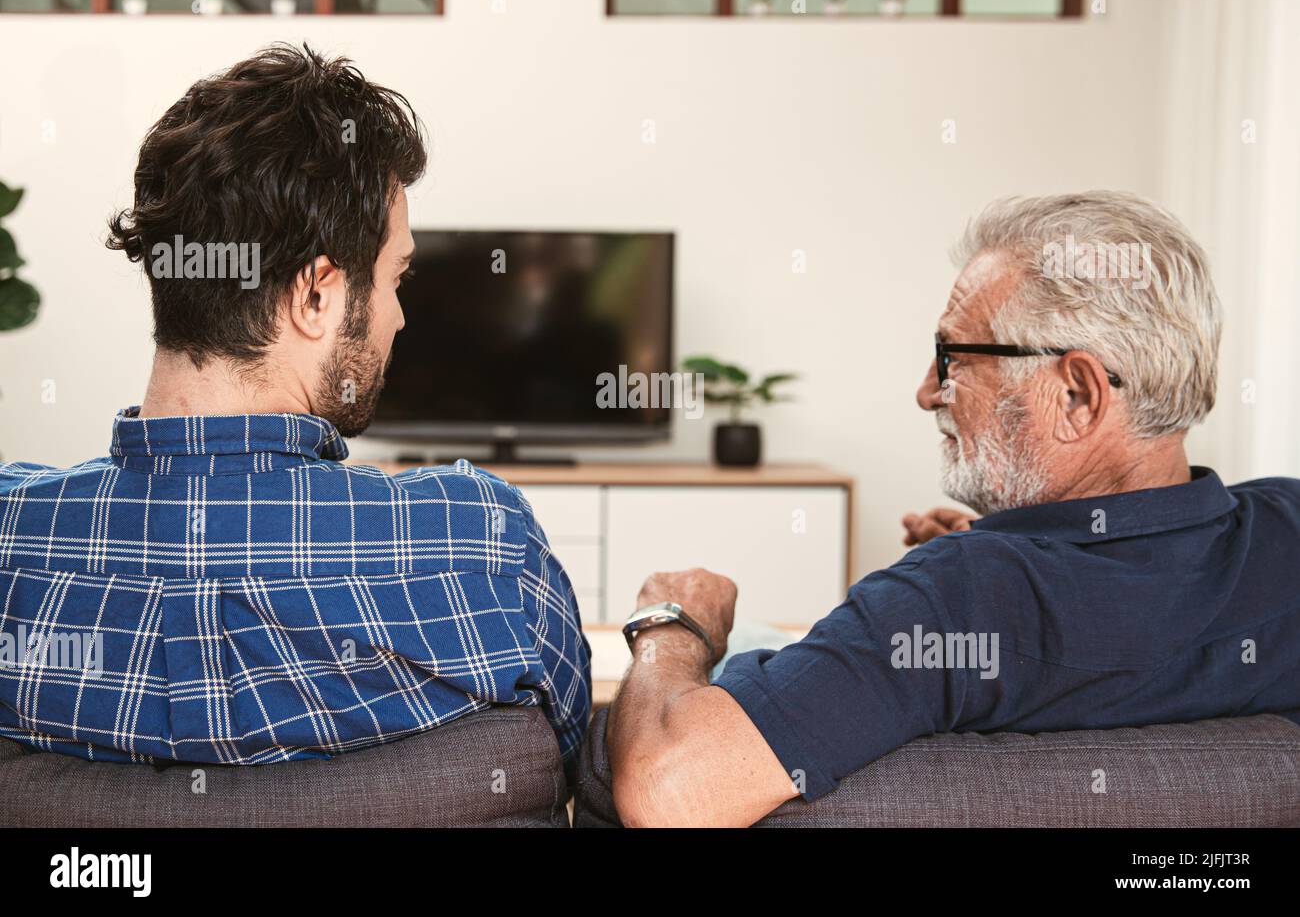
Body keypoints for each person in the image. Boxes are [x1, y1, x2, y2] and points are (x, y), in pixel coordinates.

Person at [608, 191, 1300, 827]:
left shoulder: (959, 595)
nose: (926, 392)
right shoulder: (1286, 531)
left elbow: (671, 788)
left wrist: (672, 626)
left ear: (1078, 395)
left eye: (953, 357)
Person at [0, 45, 590, 771]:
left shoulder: (10, 541)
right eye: (395, 277)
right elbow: (576, 764)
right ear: (315, 296)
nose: (399, 317)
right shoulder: (482, 546)